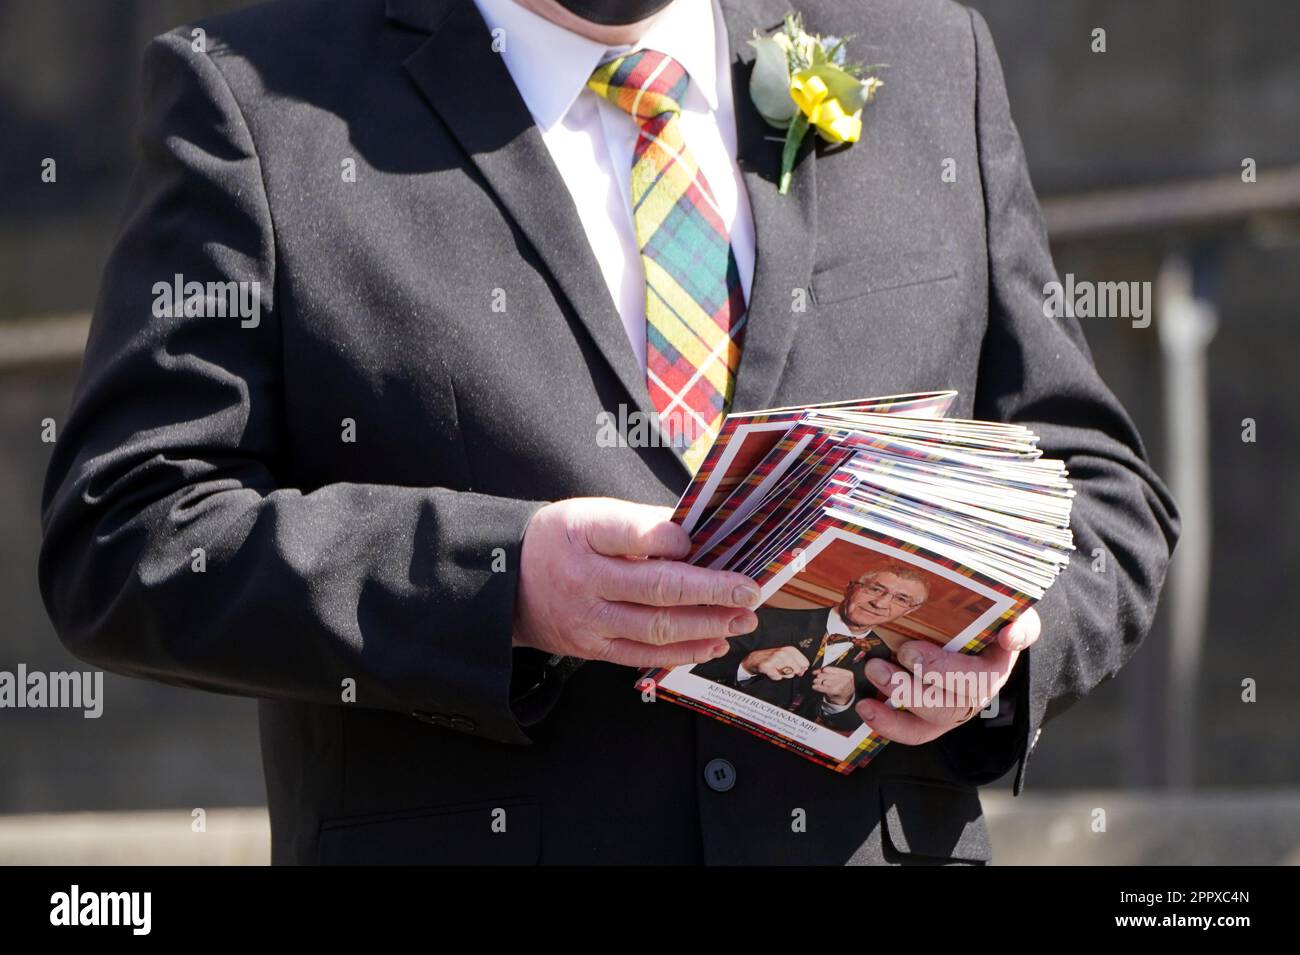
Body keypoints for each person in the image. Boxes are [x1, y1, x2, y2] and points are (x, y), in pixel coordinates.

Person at [38, 0, 1179, 864]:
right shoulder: (254, 96)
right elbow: (128, 527)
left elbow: (1098, 486)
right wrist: (505, 584)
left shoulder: (930, 57)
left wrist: (999, 652)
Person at [694, 566, 929, 732]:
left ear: (908, 612)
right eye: (875, 589)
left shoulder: (882, 657)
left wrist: (843, 699)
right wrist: (748, 664)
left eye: (900, 599)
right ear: (850, 588)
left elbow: (847, 725)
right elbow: (692, 670)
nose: (880, 603)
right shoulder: (767, 619)